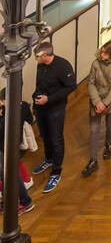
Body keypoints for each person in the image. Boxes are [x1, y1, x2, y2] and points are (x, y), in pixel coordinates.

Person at [31, 42, 76, 192]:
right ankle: (48, 159)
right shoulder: (40, 65)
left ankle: (56, 171)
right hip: (41, 108)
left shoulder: (63, 66)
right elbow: (39, 85)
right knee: (44, 136)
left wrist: (49, 99)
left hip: (55, 109)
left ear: (45, 56)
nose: (34, 58)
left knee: (56, 139)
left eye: (37, 56)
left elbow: (71, 87)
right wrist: (36, 102)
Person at [82, 40, 111, 178]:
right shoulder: (95, 63)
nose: (101, 54)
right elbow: (91, 83)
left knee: (109, 124)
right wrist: (97, 101)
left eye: (105, 53)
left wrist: (105, 103)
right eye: (102, 51)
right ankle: (93, 160)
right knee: (94, 129)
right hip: (96, 100)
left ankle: (108, 146)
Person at [0, 93, 36, 214]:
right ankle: (8, 202)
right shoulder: (18, 108)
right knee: (8, 174)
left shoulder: (9, 114)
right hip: (10, 148)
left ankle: (25, 202)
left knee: (9, 174)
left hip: (11, 147)